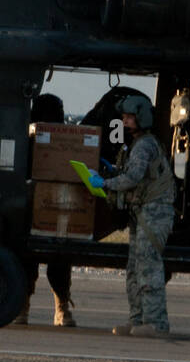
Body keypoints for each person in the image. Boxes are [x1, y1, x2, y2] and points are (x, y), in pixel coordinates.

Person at [87, 96, 175, 336]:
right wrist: (113, 172)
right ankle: (138, 320)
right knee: (135, 268)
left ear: (141, 118)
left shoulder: (145, 145)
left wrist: (105, 182)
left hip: (153, 213)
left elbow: (133, 178)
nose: (124, 121)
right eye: (123, 117)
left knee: (149, 267)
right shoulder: (138, 145)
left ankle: (156, 323)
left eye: (128, 117)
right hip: (143, 212)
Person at [28, 92, 77, 327]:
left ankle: (58, 308)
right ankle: (60, 309)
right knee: (54, 261)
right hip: (50, 206)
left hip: (52, 205)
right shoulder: (31, 136)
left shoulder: (61, 140)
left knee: (38, 260)